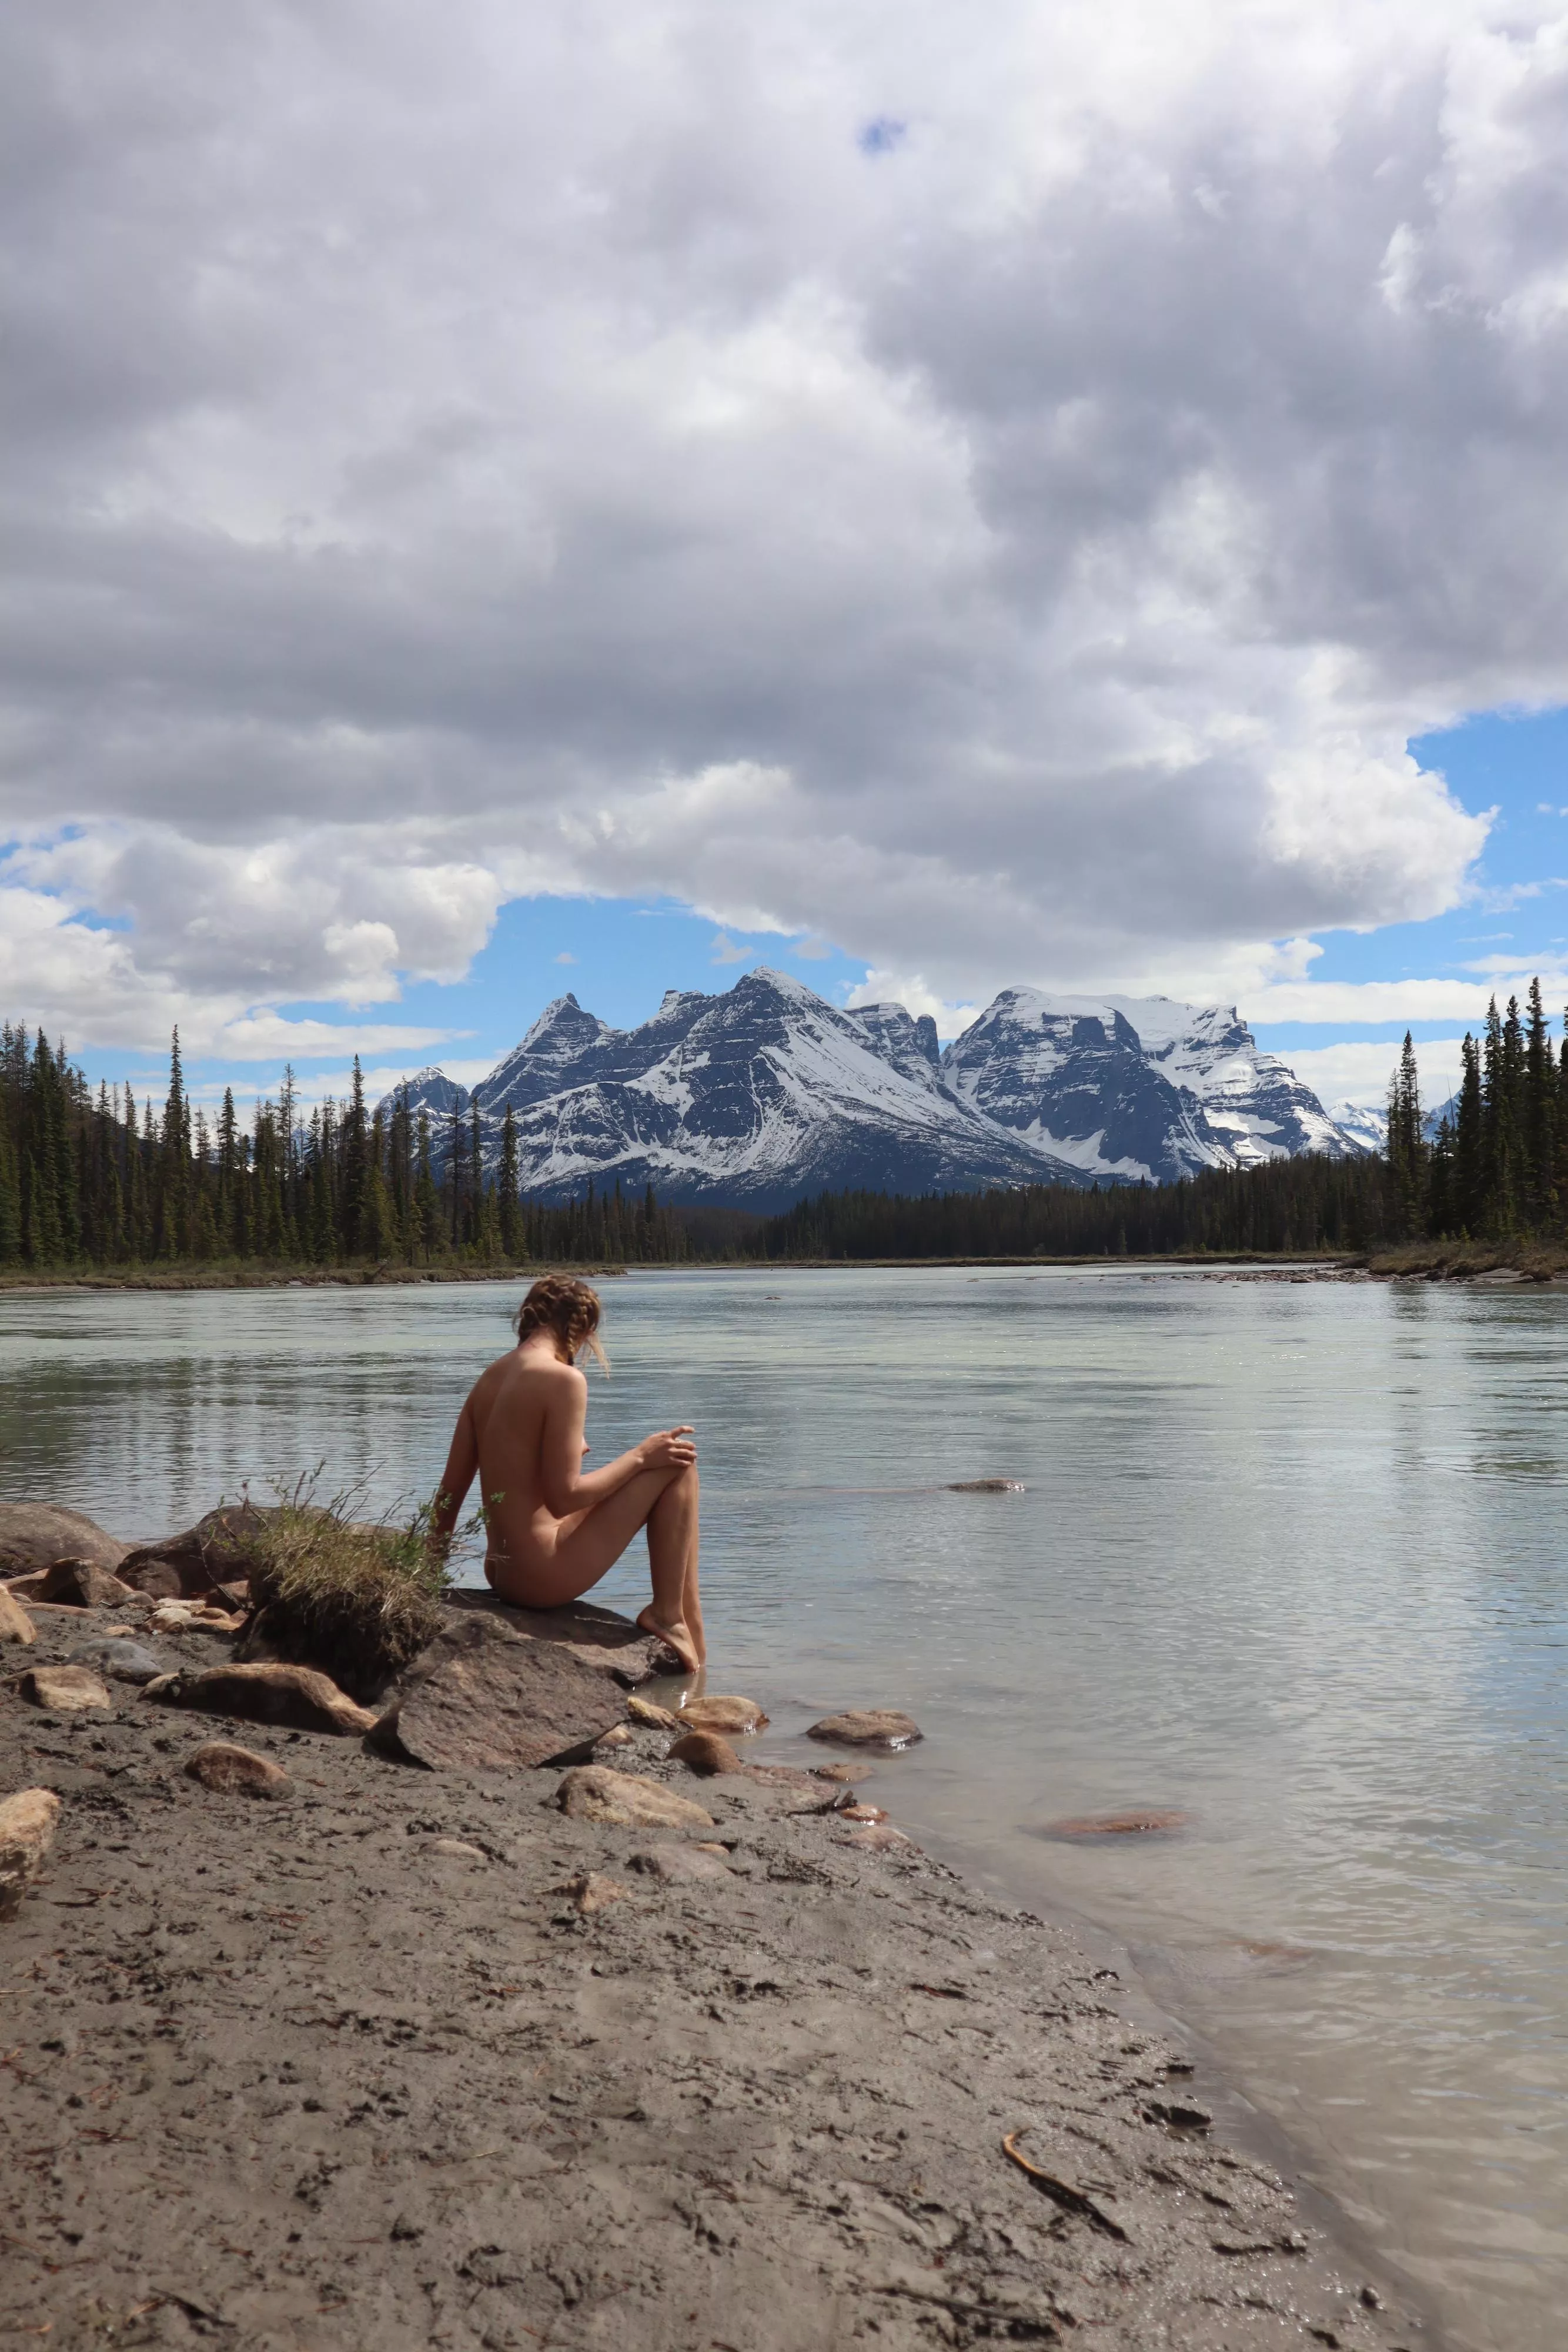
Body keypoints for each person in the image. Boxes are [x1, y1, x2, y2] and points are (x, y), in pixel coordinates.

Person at [429, 1274, 704, 1673]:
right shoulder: (564, 1380)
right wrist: (640, 1457)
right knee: (678, 1465)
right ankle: (669, 1614)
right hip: (542, 1576)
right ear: (584, 1329)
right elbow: (566, 1496)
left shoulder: (490, 1377)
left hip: (501, 1573)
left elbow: (450, 1492)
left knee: (671, 1460)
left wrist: (422, 1577)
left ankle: (683, 1621)